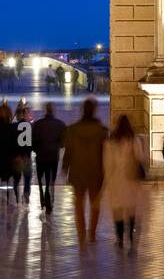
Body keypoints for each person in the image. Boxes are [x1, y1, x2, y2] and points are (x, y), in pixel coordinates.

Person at [62, 97, 108, 245]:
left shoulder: (72, 129)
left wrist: (64, 167)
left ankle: (81, 233)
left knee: (78, 204)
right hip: (95, 171)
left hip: (77, 171)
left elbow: (68, 151)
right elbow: (105, 153)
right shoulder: (101, 131)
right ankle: (92, 233)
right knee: (95, 204)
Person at [103, 115, 146, 251]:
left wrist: (107, 181)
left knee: (118, 211)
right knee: (131, 210)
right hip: (131, 179)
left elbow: (107, 164)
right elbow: (142, 158)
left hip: (116, 180)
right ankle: (131, 239)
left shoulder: (110, 143)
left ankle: (120, 239)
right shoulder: (134, 141)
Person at [31, 102, 66, 215]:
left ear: (45, 110)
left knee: (41, 179)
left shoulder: (38, 124)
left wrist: (36, 149)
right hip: (53, 157)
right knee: (50, 180)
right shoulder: (60, 124)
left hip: (41, 156)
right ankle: (49, 200)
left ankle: (42, 196)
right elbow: (62, 143)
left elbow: (33, 141)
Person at [11, 101, 33, 203]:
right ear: (24, 114)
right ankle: (26, 193)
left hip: (17, 157)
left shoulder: (14, 127)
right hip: (27, 156)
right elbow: (32, 142)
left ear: (18, 115)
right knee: (27, 177)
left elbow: (12, 142)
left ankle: (16, 192)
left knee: (16, 178)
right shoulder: (29, 126)